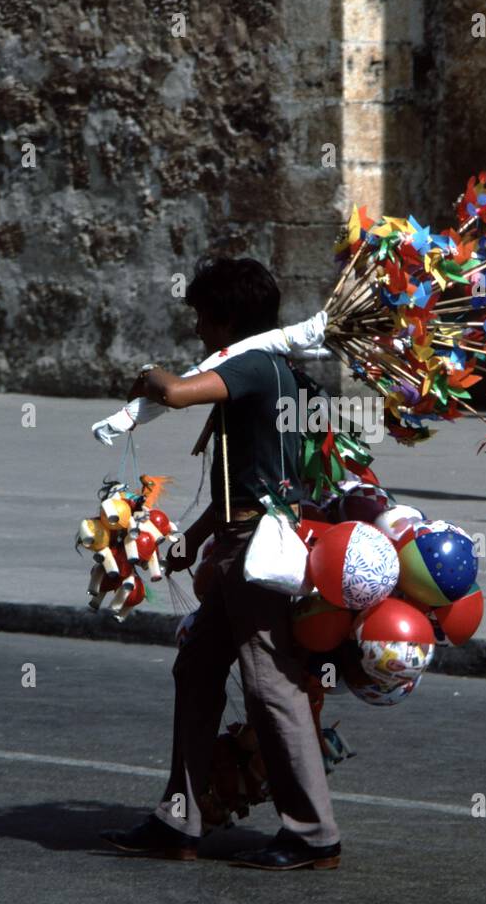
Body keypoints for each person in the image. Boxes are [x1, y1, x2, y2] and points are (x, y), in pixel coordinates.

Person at [101, 257, 341, 871]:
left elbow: (176, 392)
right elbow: (252, 480)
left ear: (228, 317)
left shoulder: (253, 365)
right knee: (197, 668)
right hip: (242, 538)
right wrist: (191, 537)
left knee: (270, 688)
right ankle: (180, 817)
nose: (199, 329)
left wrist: (145, 375)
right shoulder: (279, 371)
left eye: (203, 316)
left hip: (255, 557)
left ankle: (313, 833)